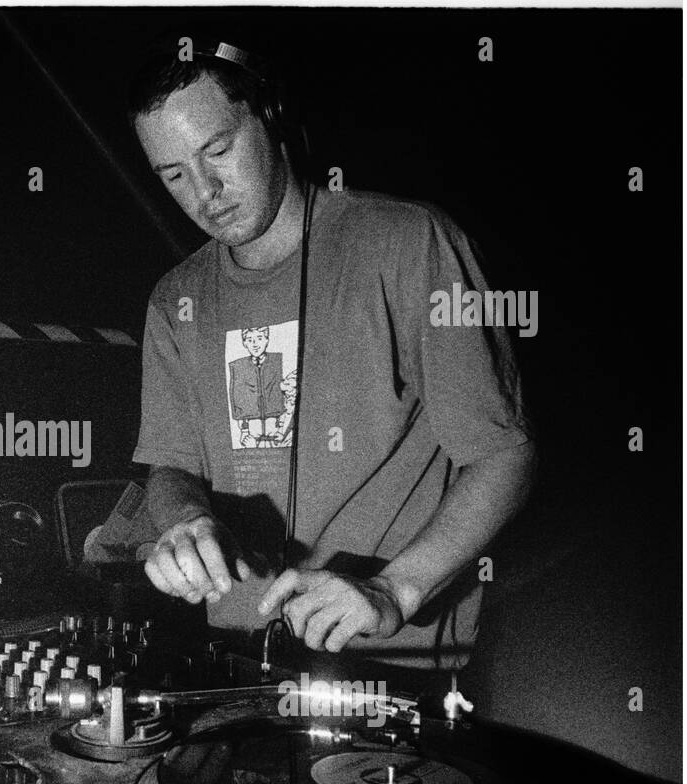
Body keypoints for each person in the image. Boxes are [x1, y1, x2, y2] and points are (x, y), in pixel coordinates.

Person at [128, 38, 536, 667]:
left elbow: (504, 455)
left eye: (217, 150)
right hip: (238, 661)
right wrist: (184, 520)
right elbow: (171, 465)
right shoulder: (173, 300)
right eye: (174, 174)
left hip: (389, 664)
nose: (204, 190)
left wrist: (393, 589)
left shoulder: (408, 243)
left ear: (272, 117)